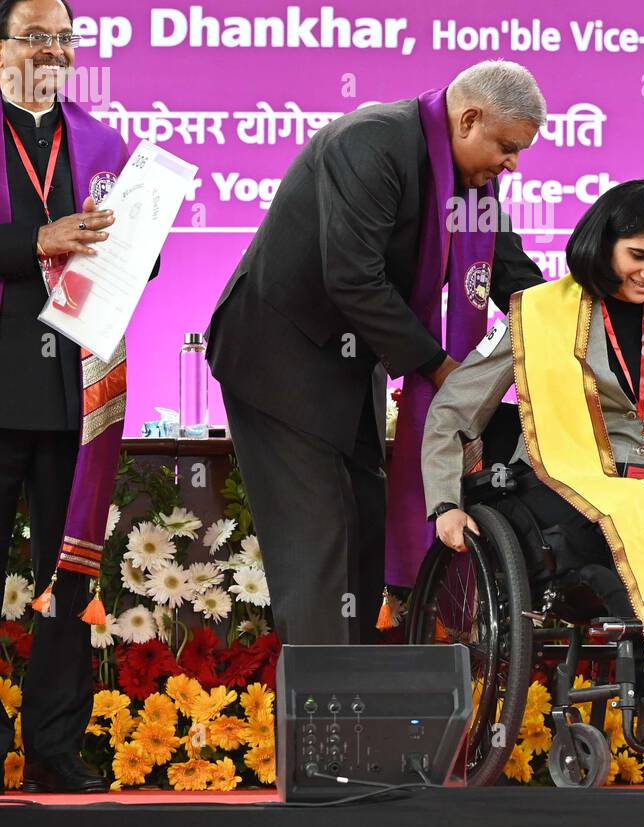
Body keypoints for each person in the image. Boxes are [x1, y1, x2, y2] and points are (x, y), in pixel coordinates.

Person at [422, 180, 644, 744]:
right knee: (640, 505)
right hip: (564, 480)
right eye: (637, 256)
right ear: (603, 243)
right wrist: (445, 502)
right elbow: (455, 406)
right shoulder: (536, 315)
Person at [206, 60, 546, 649]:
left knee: (364, 531)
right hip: (278, 363)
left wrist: (570, 338)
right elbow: (353, 278)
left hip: (348, 370)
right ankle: (321, 725)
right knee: (321, 544)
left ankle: (353, 711)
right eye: (508, 147)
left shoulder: (469, 187)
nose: (513, 164)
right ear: (469, 119)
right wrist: (445, 372)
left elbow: (511, 275)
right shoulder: (373, 142)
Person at [0, 0, 134, 794]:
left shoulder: (102, 143)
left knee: (67, 582)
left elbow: (136, 258)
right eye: (34, 38)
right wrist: (37, 241)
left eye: (63, 40)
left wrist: (135, 244)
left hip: (71, 394)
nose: (53, 53)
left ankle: (54, 748)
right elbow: (37, 244)